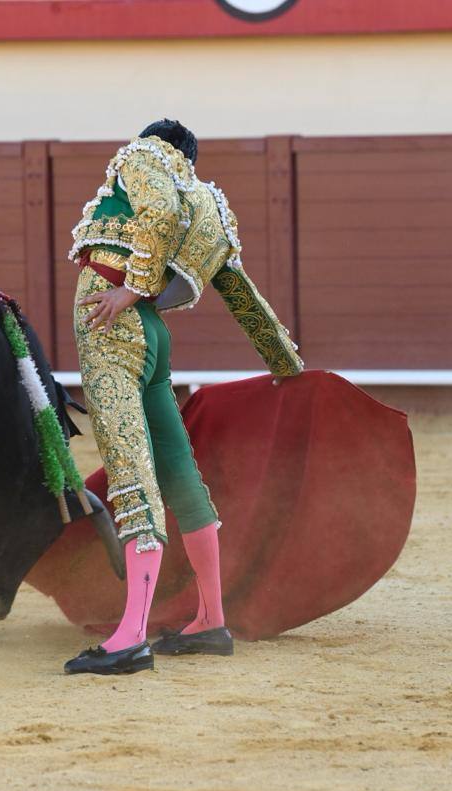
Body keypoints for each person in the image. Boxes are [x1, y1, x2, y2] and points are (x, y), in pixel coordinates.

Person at [64, 119, 304, 676]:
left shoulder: (145, 156)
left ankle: (131, 637)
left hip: (112, 320)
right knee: (179, 472)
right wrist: (287, 366)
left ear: (157, 143)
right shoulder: (213, 210)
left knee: (131, 472)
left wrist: (132, 288)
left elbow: (161, 214)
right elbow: (246, 300)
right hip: (154, 336)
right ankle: (211, 620)